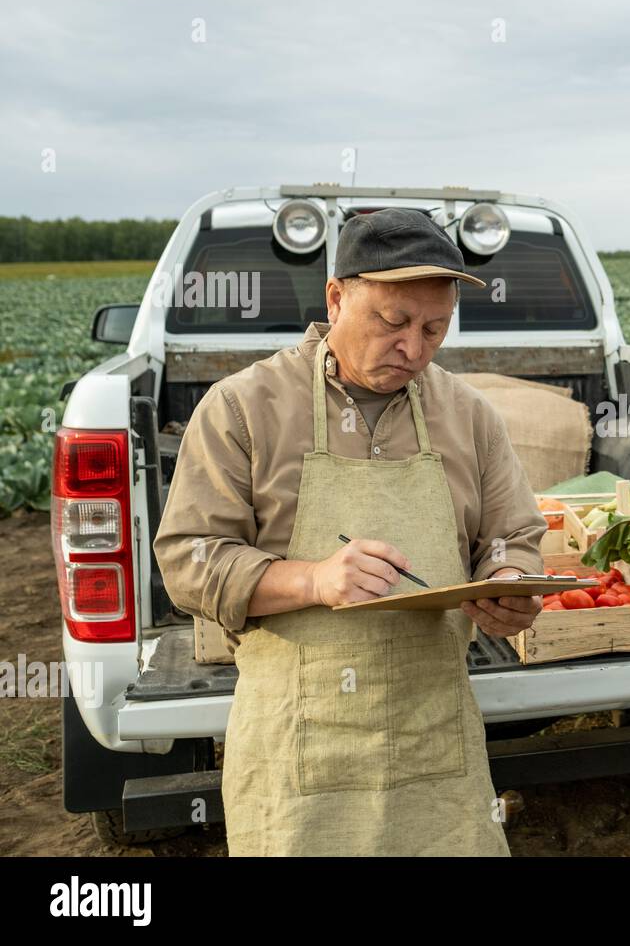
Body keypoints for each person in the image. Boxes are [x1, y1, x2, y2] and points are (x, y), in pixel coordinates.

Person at [154, 207, 547, 855]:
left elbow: (510, 535)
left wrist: (508, 584)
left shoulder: (468, 415)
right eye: (393, 323)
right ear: (336, 298)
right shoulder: (244, 407)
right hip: (299, 751)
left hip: (435, 742)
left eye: (434, 328)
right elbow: (191, 562)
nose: (415, 349)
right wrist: (313, 579)